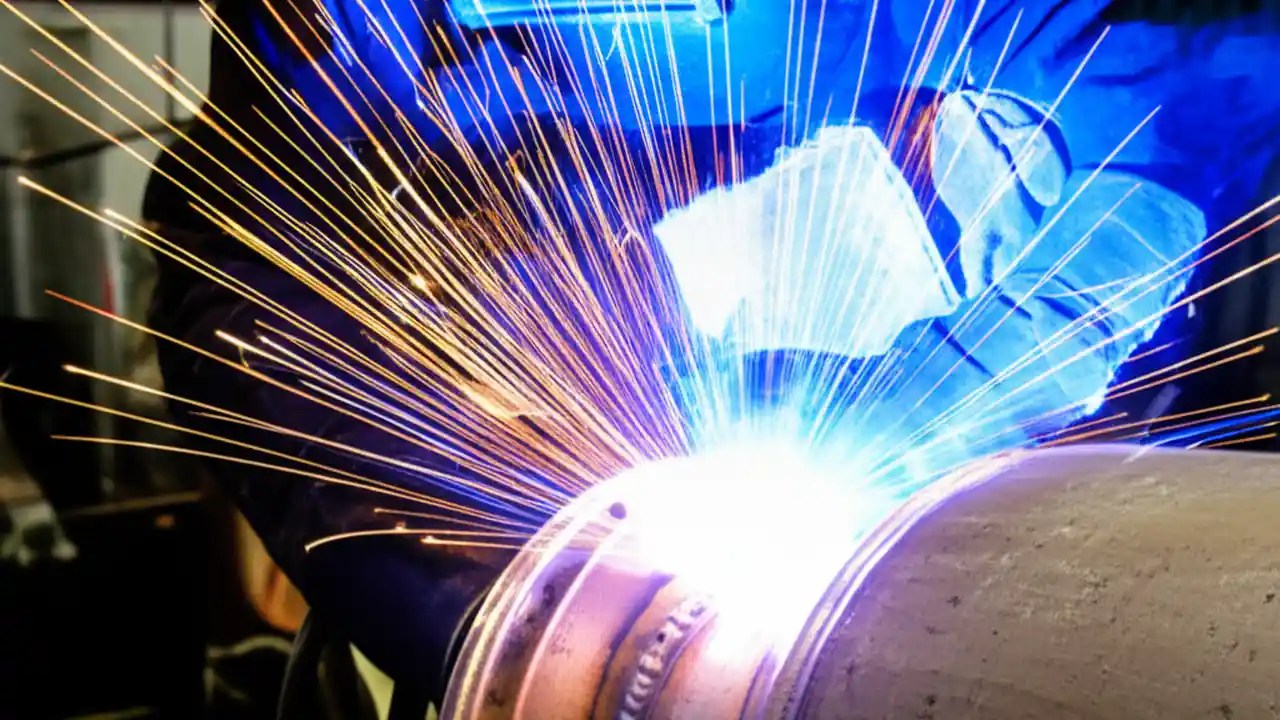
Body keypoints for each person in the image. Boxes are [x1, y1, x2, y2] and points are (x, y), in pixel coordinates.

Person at [143, 0, 1280, 715]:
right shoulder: (347, 56)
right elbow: (250, 244)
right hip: (506, 425)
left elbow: (1150, 130)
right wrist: (520, 616)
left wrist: (894, 439)